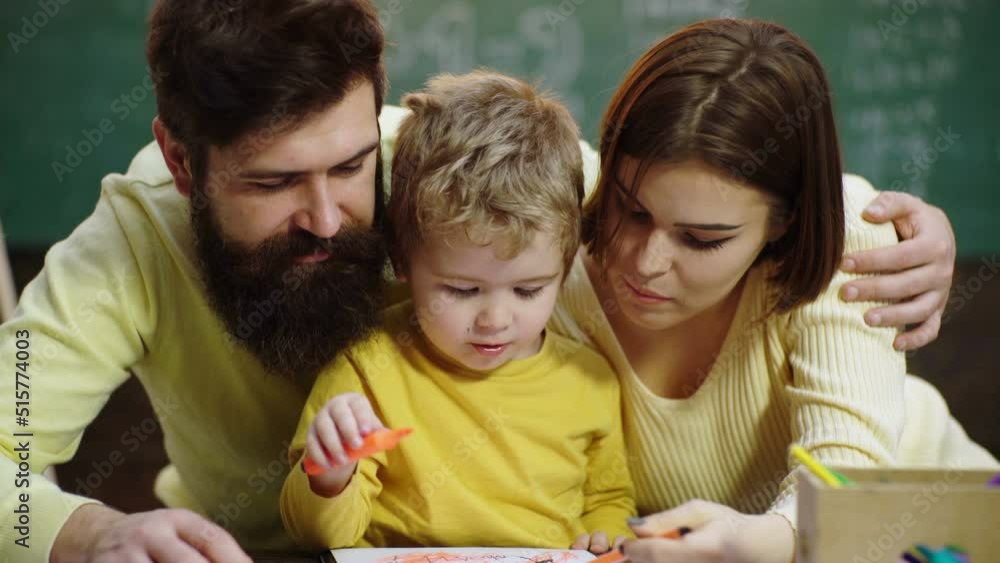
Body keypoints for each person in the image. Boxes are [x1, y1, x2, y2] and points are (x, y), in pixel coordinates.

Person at [0, 2, 963, 561]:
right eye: (271, 182)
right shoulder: (124, 244)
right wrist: (86, 533)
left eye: (346, 166)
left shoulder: (435, 174)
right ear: (179, 157)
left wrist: (896, 221)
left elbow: (694, 186)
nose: (330, 217)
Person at [534, 19, 998, 563]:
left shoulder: (851, 239)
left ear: (785, 220)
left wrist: (754, 541)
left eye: (702, 240)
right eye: (630, 211)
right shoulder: (543, 212)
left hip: (946, 534)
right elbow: (414, 131)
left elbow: (844, 489)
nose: (645, 263)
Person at [280, 70, 634, 552]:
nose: (495, 319)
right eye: (463, 290)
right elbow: (316, 536)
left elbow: (611, 498)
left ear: (565, 265)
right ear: (402, 260)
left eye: (528, 290)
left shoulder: (591, 380)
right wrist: (328, 475)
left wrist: (607, 533)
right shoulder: (366, 366)